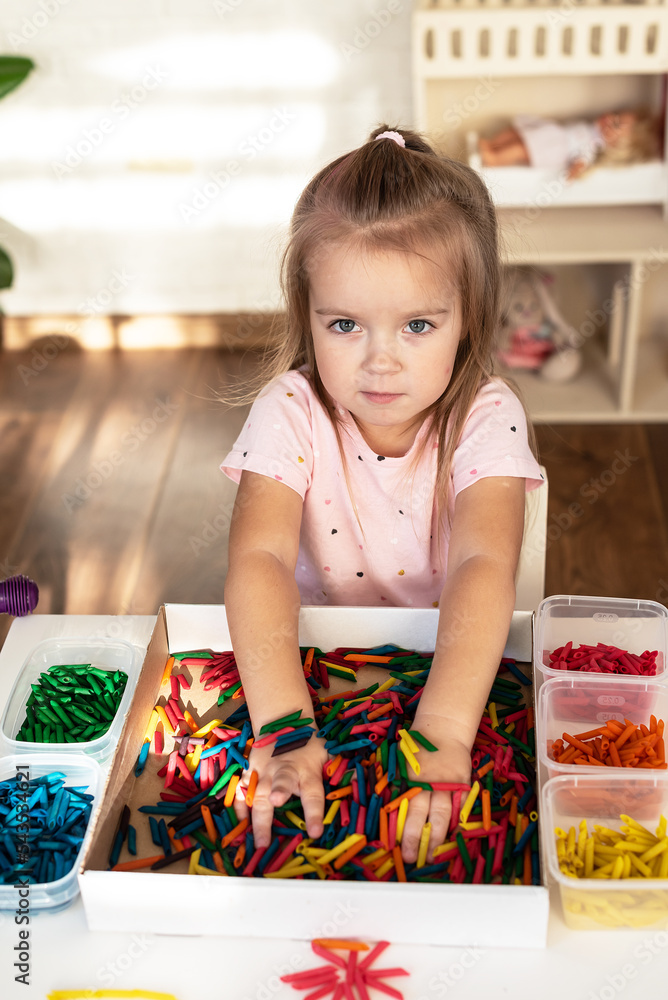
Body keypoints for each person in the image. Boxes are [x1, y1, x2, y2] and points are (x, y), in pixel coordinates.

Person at [221, 124, 544, 865]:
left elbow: (482, 568)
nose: (380, 362)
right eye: (344, 324)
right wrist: (282, 726)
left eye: (419, 325)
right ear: (305, 313)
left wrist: (446, 732)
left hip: (454, 674)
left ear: (469, 319)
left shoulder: (486, 416)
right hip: (311, 666)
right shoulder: (290, 408)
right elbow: (261, 559)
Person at [477, 109, 660, 180]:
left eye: (616, 124)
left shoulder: (595, 145)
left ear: (617, 146)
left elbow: (584, 158)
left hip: (555, 149)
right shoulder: (593, 129)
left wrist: (577, 167)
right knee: (516, 131)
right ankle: (492, 145)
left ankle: (494, 158)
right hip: (552, 134)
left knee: (520, 149)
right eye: (616, 114)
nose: (610, 118)